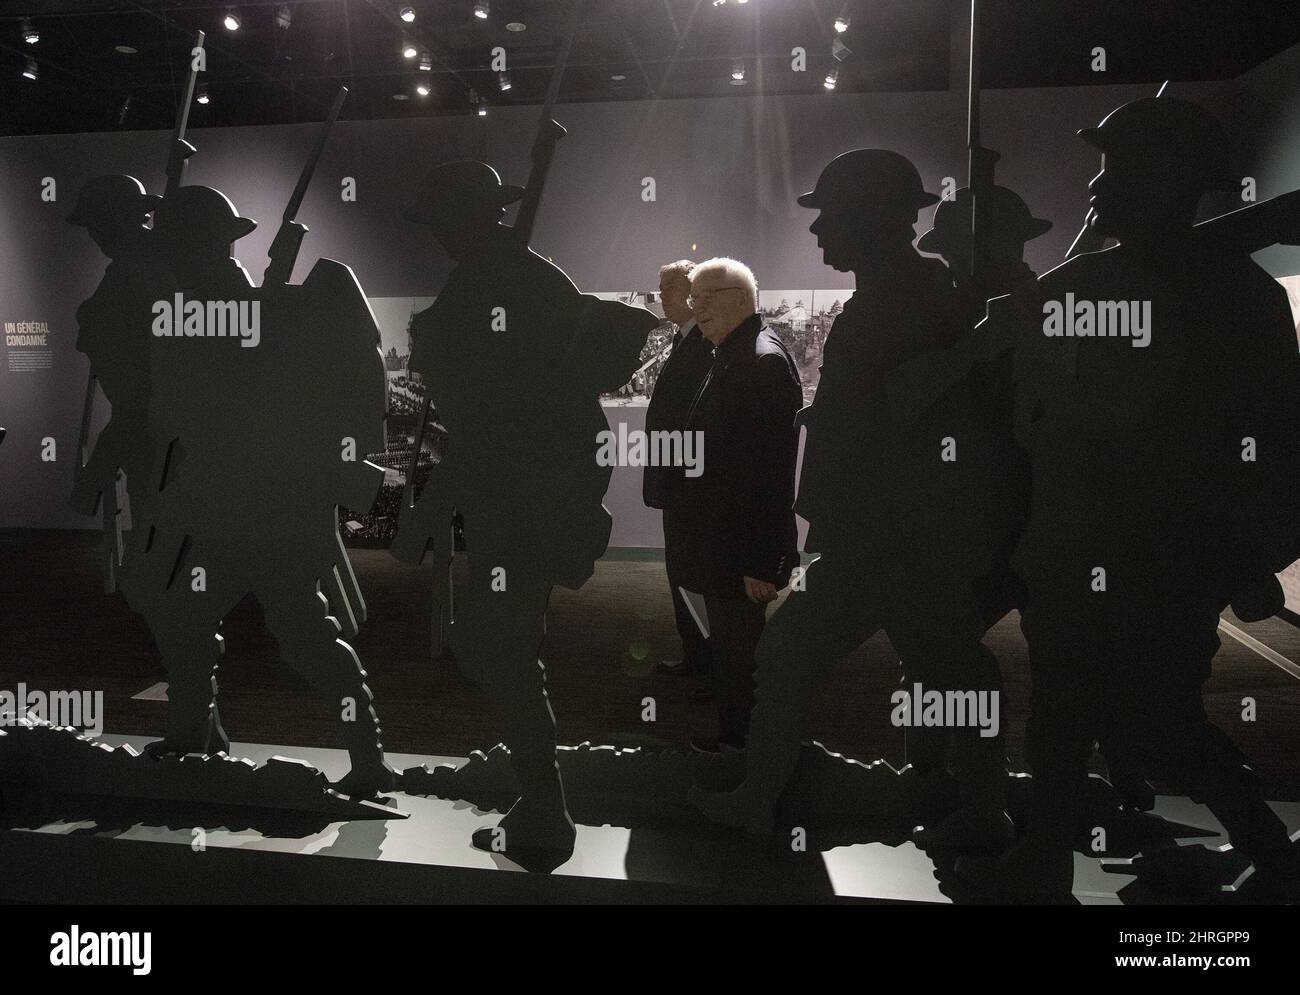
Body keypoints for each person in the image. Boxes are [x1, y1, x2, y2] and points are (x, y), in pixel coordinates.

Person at [957, 98, 1300, 901]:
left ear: (1174, 181)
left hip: (1165, 552)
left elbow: (1277, 441)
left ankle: (1270, 849)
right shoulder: (1104, 284)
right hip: (1074, 542)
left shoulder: (1241, 300)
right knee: (1062, 715)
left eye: (1122, 168)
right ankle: (1042, 858)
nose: (1098, 188)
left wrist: (1252, 555)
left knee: (1160, 722)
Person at [691, 151, 1021, 849]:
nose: (819, 233)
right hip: (861, 529)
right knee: (940, 669)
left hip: (893, 534)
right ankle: (963, 802)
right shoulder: (901, 298)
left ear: (872, 220)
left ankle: (975, 806)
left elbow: (935, 416)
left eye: (831, 218)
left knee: (940, 670)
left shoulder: (926, 299)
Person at [392, 160, 651, 870]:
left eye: (447, 219)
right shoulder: (496, 281)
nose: (441, 234)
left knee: (497, 646)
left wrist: (431, 509)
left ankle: (546, 802)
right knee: (497, 645)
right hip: (510, 497)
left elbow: (497, 427)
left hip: (526, 503)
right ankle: (539, 794)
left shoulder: (514, 285)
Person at [120, 185, 394, 800]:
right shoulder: (200, 307)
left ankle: (368, 755)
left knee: (303, 634)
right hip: (208, 500)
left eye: (173, 242)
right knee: (184, 618)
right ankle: (196, 734)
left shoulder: (271, 314)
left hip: (266, 503)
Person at [661, 257, 802, 752]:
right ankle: (740, 748)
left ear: (742, 300)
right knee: (733, 656)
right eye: (693, 299)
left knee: (742, 659)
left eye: (708, 298)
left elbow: (769, 476)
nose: (697, 309)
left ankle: (745, 758)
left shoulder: (759, 362)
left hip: (741, 554)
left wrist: (760, 562)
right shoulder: (731, 353)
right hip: (725, 547)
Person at [66, 175, 162, 533]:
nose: (95, 236)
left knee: (154, 510)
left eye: (99, 226)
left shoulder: (145, 264)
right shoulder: (128, 265)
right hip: (141, 403)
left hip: (156, 403)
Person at [644, 260, 715, 680]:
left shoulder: (704, 345)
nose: (662, 295)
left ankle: (706, 665)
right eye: (661, 285)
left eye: (669, 286)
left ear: (692, 293)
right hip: (680, 483)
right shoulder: (685, 341)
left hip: (689, 486)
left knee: (691, 573)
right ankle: (698, 659)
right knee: (682, 571)